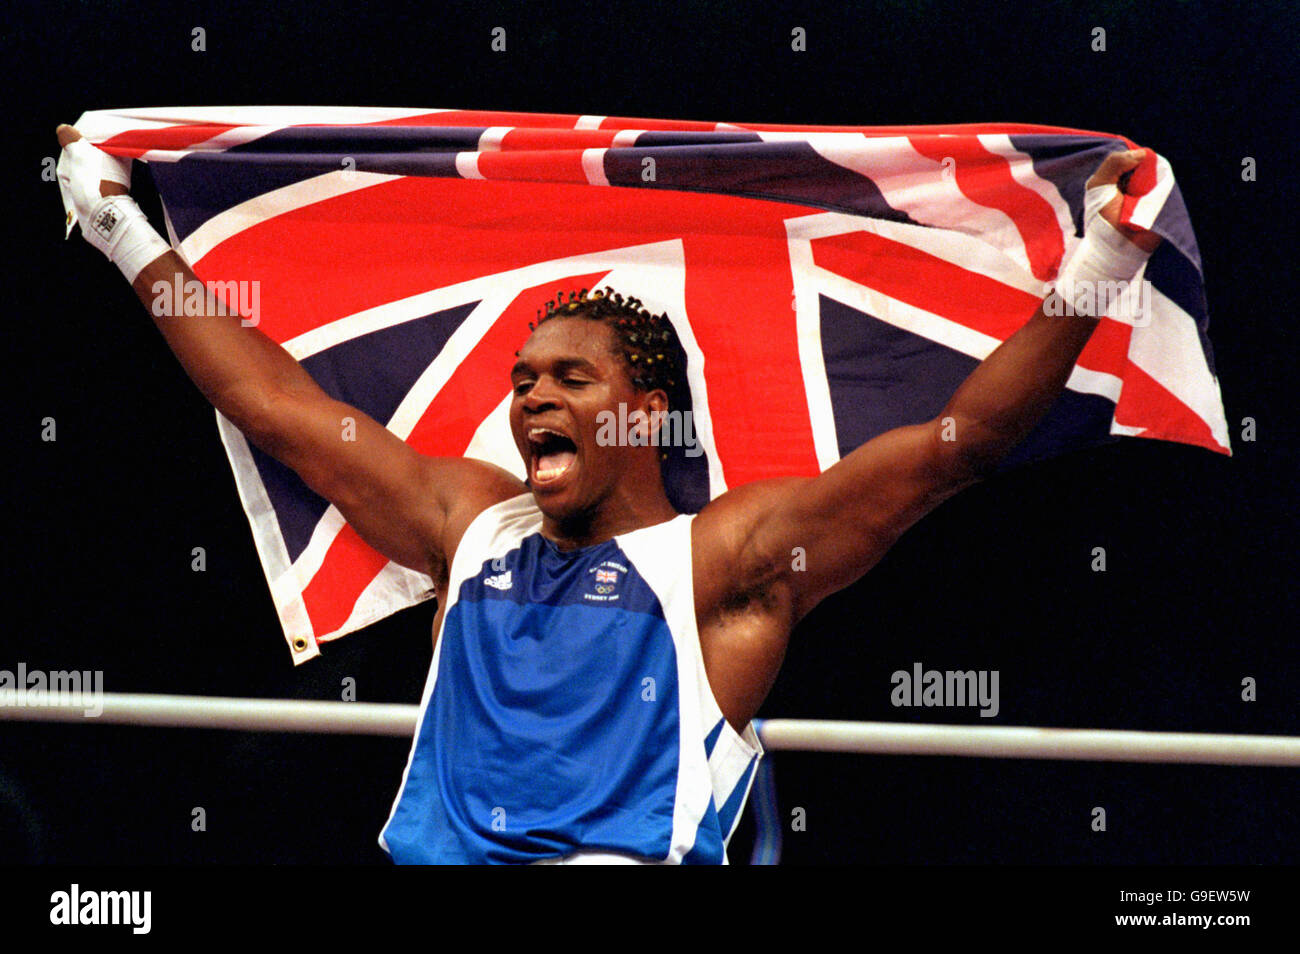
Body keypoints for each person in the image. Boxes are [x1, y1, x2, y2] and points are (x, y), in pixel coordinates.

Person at [56, 124, 1160, 864]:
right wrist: (119, 225)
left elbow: (953, 449)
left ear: (642, 414)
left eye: (570, 380)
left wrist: (1101, 255)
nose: (531, 398)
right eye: (523, 381)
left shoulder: (723, 560)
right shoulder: (472, 525)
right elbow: (274, 406)